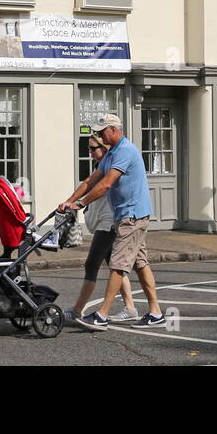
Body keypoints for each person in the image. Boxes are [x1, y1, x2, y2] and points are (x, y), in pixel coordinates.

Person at [58, 113, 165, 330]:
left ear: (114, 130)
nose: (99, 135)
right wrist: (69, 201)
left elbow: (107, 184)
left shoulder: (125, 151)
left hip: (132, 216)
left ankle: (102, 315)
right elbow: (92, 180)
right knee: (139, 264)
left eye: (102, 131)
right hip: (125, 215)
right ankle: (156, 313)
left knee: (118, 265)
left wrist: (81, 204)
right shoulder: (112, 153)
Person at [63, 132, 138, 325]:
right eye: (87, 148)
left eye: (92, 148)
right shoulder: (102, 166)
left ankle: (77, 310)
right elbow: (87, 183)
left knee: (92, 264)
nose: (89, 152)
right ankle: (130, 307)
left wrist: (78, 204)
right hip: (108, 219)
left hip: (111, 220)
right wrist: (69, 201)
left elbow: (98, 186)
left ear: (104, 148)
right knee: (116, 265)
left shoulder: (112, 166)